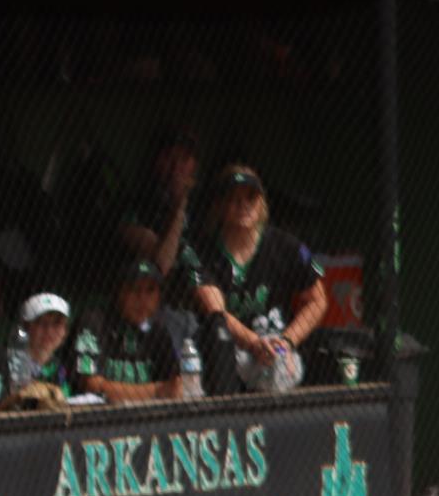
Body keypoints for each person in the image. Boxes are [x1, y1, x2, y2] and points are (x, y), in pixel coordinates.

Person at [180, 165, 326, 394]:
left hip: (274, 344)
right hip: (227, 348)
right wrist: (254, 343)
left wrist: (287, 341)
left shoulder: (285, 245)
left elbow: (317, 300)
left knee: (279, 369)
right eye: (234, 198)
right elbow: (215, 312)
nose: (243, 205)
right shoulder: (201, 250)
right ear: (220, 205)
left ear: (262, 203)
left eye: (251, 197)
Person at [71, 260, 182, 405]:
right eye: (134, 289)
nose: (142, 299)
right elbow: (90, 384)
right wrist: (157, 391)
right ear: (119, 292)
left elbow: (176, 385)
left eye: (150, 290)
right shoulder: (93, 322)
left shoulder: (158, 331)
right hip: (99, 418)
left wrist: (167, 389)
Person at [117, 127, 199, 279]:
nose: (175, 167)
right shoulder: (135, 208)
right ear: (155, 161)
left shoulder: (203, 209)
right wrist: (180, 203)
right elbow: (162, 264)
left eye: (184, 159)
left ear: (194, 166)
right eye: (169, 157)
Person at [0, 292, 75, 408]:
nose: (49, 330)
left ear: (65, 331)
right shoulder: (0, 361)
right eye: (41, 323)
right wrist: (19, 397)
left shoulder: (58, 366)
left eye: (57, 323)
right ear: (26, 327)